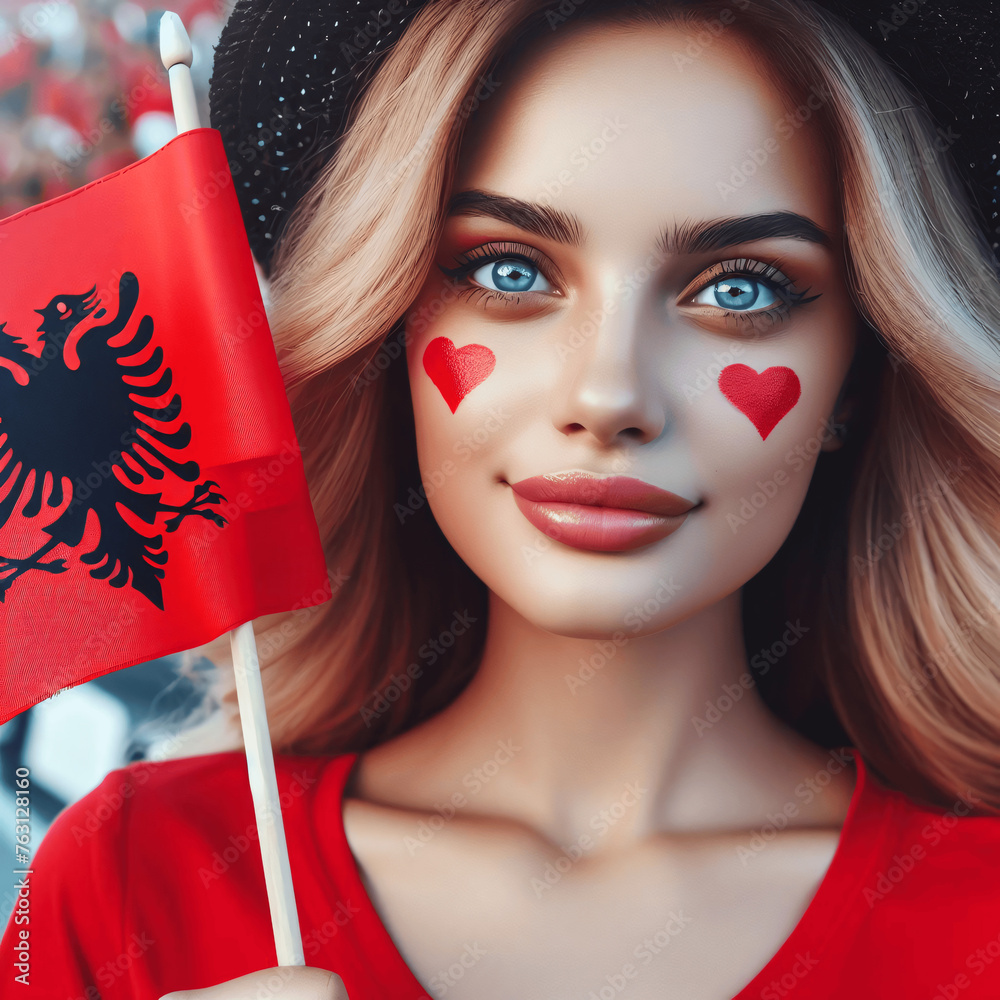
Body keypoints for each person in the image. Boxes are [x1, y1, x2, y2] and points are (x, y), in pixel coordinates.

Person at [4, 1, 1000, 997]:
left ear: (857, 375)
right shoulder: (137, 882)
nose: (608, 395)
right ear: (390, 319)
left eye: (738, 289)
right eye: (509, 270)